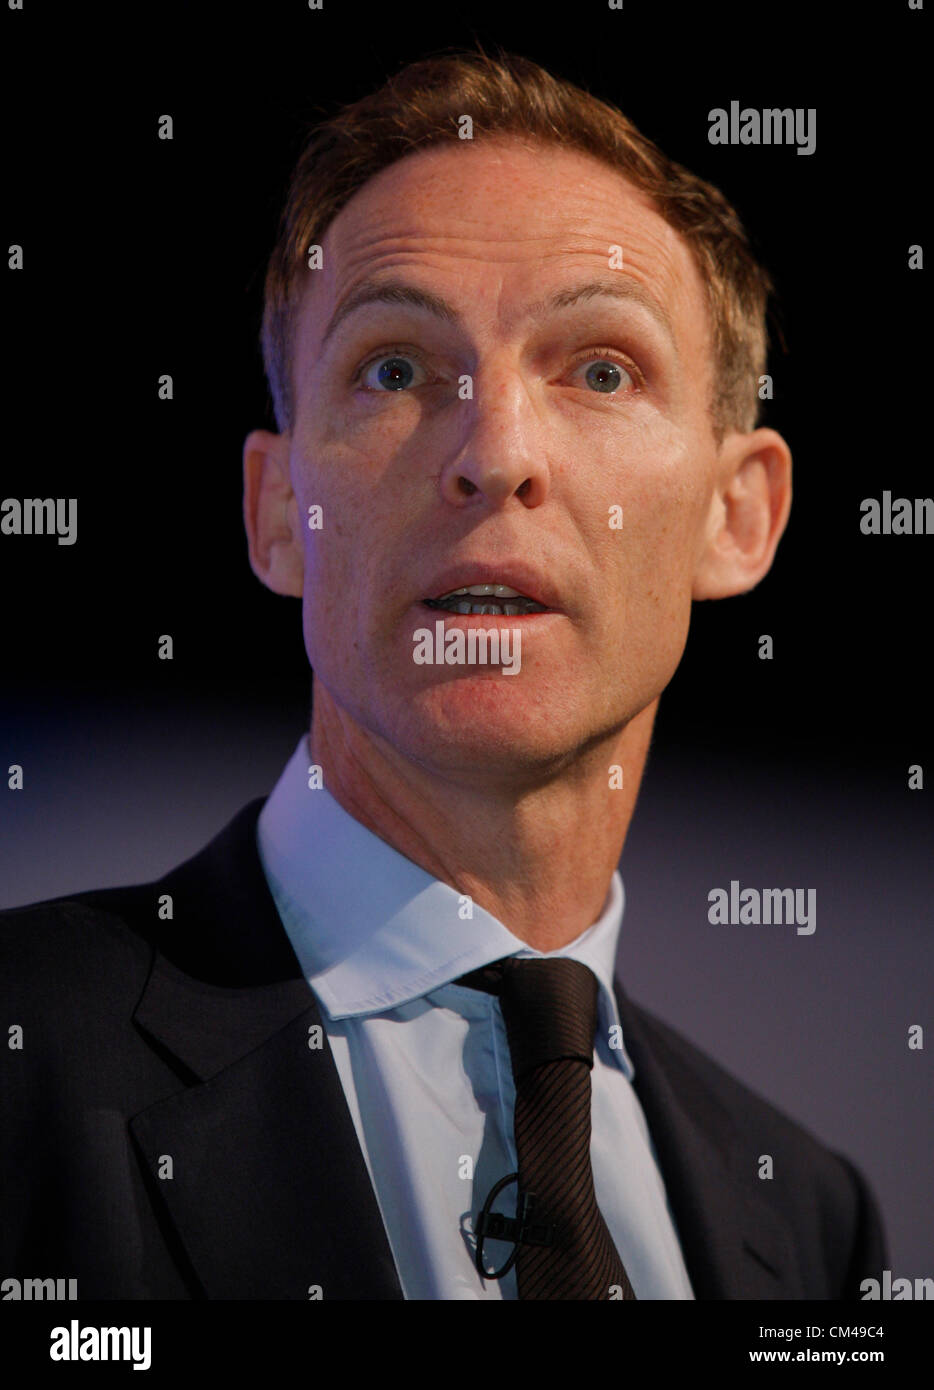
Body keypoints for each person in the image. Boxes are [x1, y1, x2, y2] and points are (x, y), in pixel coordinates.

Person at [0, 47, 886, 1300]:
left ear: (738, 516)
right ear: (273, 510)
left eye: (598, 369)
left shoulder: (807, 1224)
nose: (496, 453)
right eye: (397, 369)